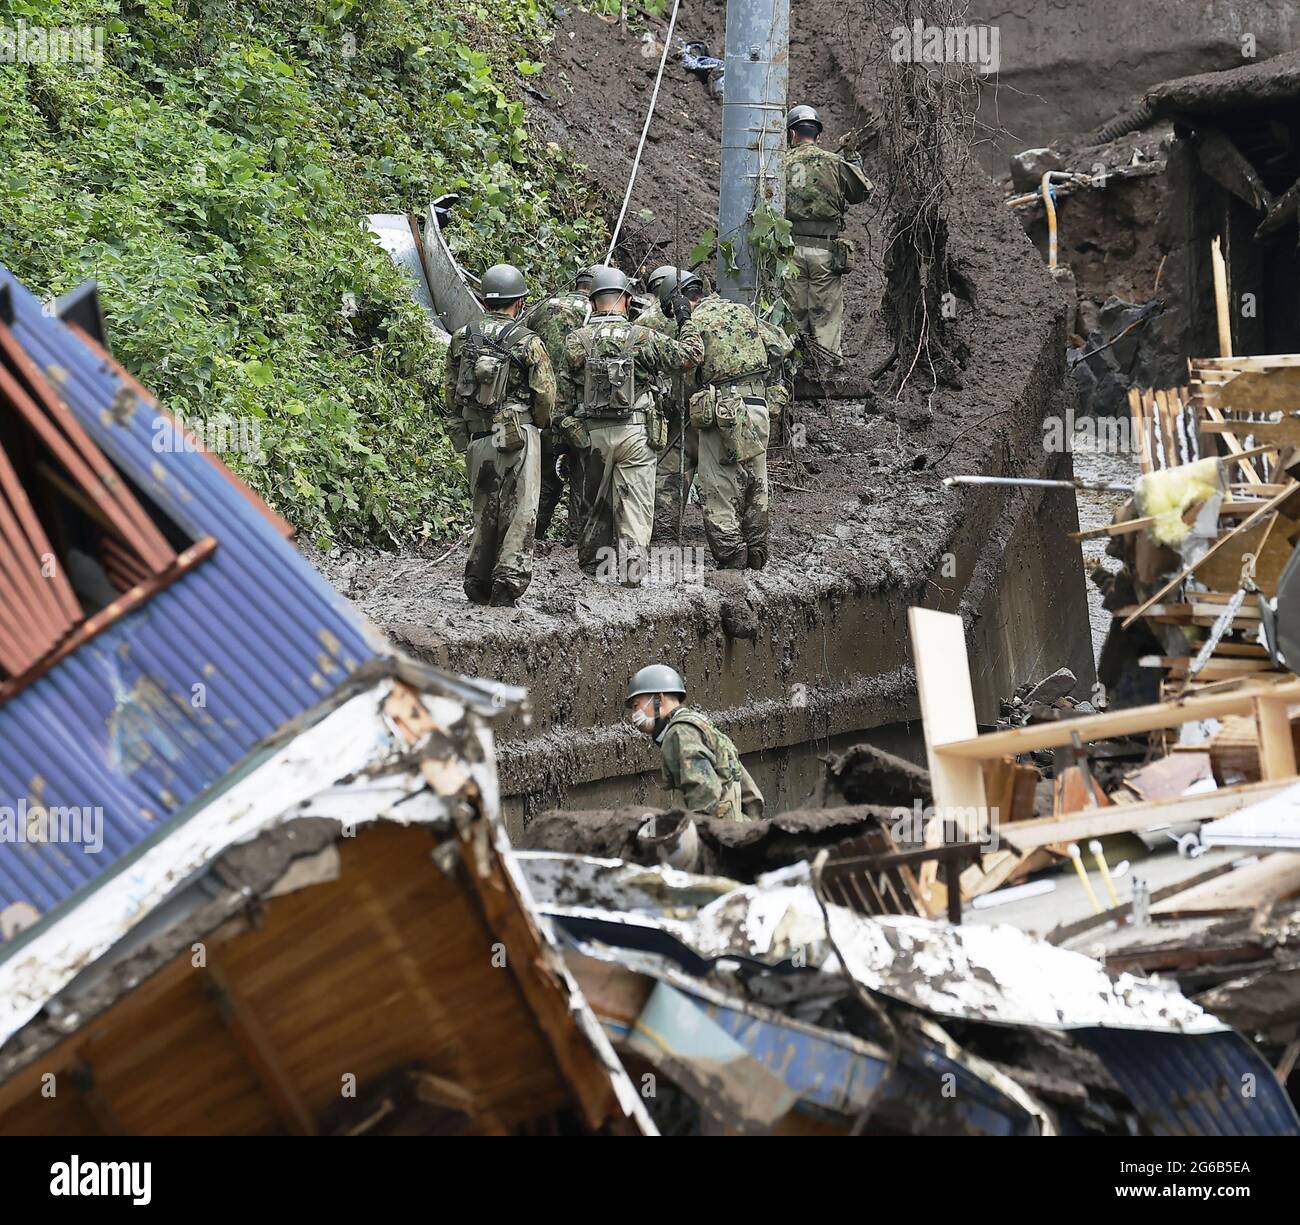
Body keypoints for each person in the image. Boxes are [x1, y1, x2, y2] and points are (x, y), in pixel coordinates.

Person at [559, 266, 683, 586]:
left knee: (594, 504)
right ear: (627, 301)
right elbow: (688, 357)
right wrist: (686, 319)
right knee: (637, 502)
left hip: (593, 436)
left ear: (591, 302)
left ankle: (593, 568)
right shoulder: (642, 336)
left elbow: (560, 401)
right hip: (636, 431)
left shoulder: (577, 341)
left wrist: (571, 428)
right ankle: (631, 567)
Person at [442, 263, 555, 607]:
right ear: (519, 302)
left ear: (483, 298)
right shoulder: (528, 341)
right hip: (519, 435)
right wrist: (536, 425)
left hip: (477, 437)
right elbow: (546, 395)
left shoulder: (462, 336)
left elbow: (450, 390)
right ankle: (508, 579)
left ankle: (477, 578)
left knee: (484, 508)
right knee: (520, 509)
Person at [673, 273, 774, 569]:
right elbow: (779, 346)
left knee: (718, 486)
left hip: (724, 410)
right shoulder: (742, 311)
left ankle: (731, 558)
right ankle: (757, 552)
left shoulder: (694, 322)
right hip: (758, 405)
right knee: (757, 481)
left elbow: (687, 367)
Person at [783, 104, 873, 363]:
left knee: (794, 313)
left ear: (792, 134)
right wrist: (852, 156)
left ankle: (795, 368)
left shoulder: (779, 163)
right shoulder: (835, 163)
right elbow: (861, 192)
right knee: (825, 314)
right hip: (825, 251)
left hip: (789, 252)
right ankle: (827, 368)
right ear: (818, 136)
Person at [625, 664, 764, 822]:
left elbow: (704, 798)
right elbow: (750, 794)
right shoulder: (699, 725)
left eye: (637, 706)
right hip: (730, 834)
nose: (635, 715)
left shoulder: (680, 733)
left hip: (713, 837)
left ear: (659, 699)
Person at [524, 266, 597, 542]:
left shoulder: (543, 306)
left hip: (544, 403)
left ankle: (535, 532)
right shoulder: (597, 314)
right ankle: (576, 537)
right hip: (579, 408)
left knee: (545, 476)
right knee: (582, 474)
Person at [640, 268, 698, 543]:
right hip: (718, 407)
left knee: (670, 470)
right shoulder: (714, 312)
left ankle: (663, 532)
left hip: (672, 407)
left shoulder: (650, 319)